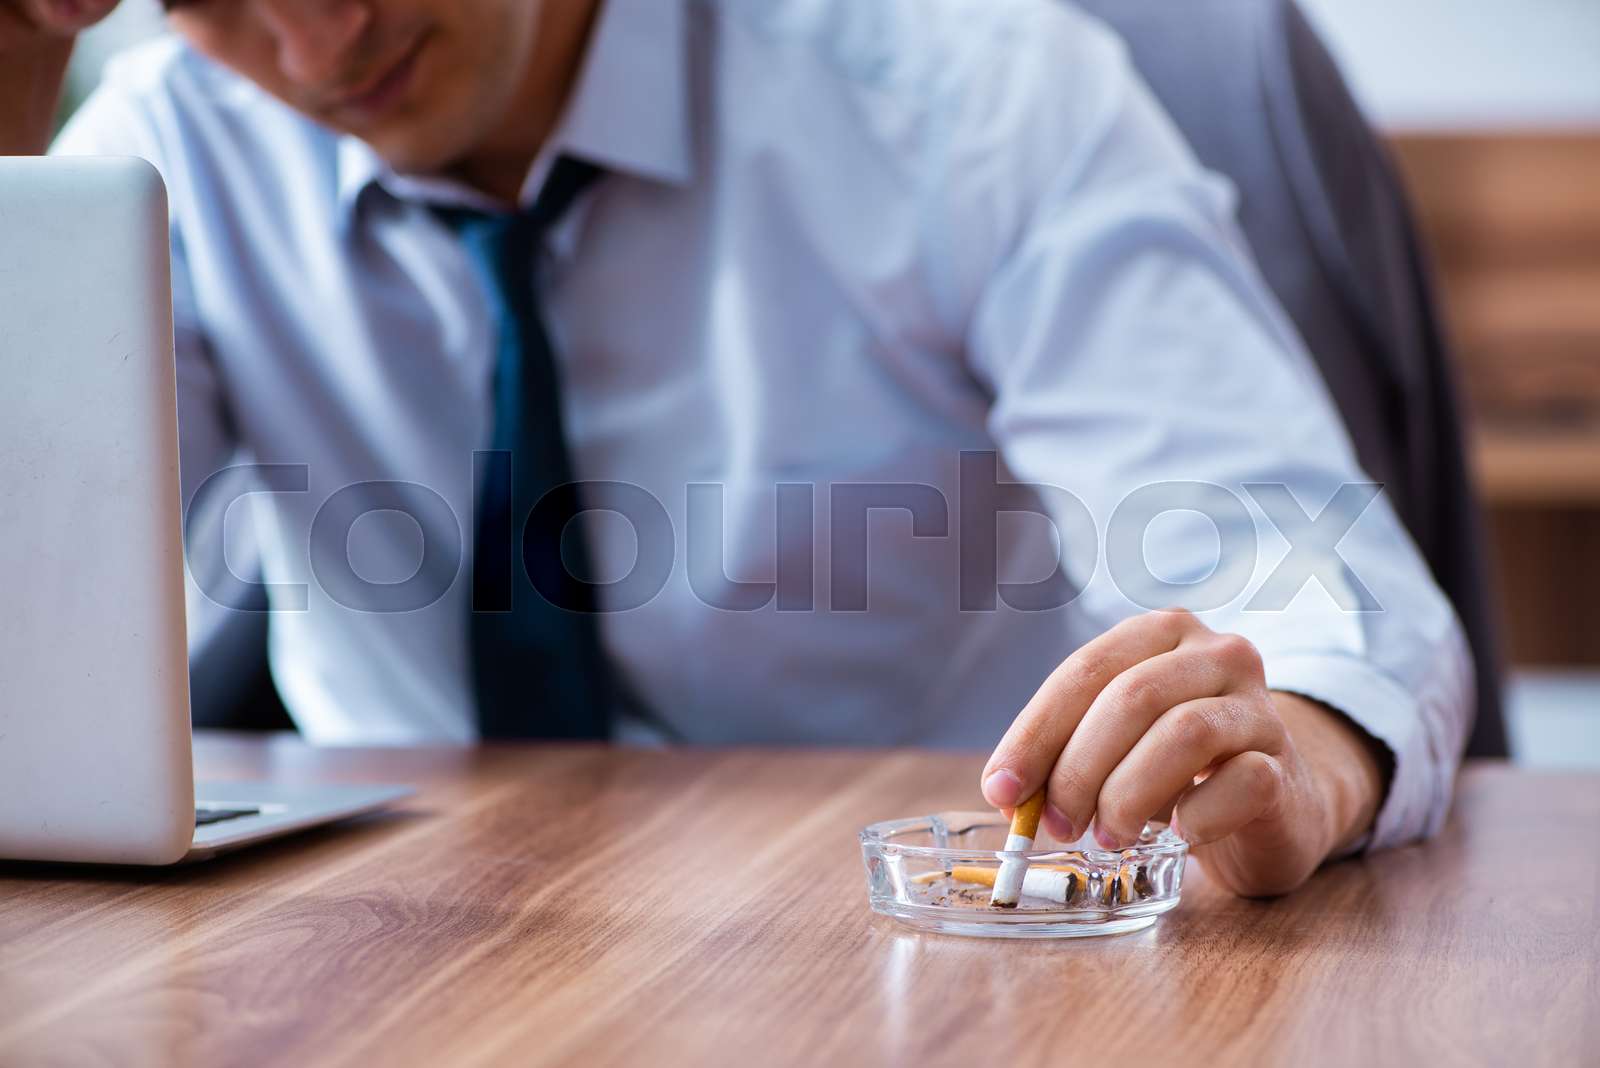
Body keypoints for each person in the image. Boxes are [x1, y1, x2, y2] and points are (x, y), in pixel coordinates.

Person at [0, 0, 1472, 897]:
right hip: (409, 952)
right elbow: (24, 617)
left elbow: (1293, 558)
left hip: (917, 935)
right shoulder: (163, 154)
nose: (318, 43)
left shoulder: (972, 94)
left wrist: (1308, 748)